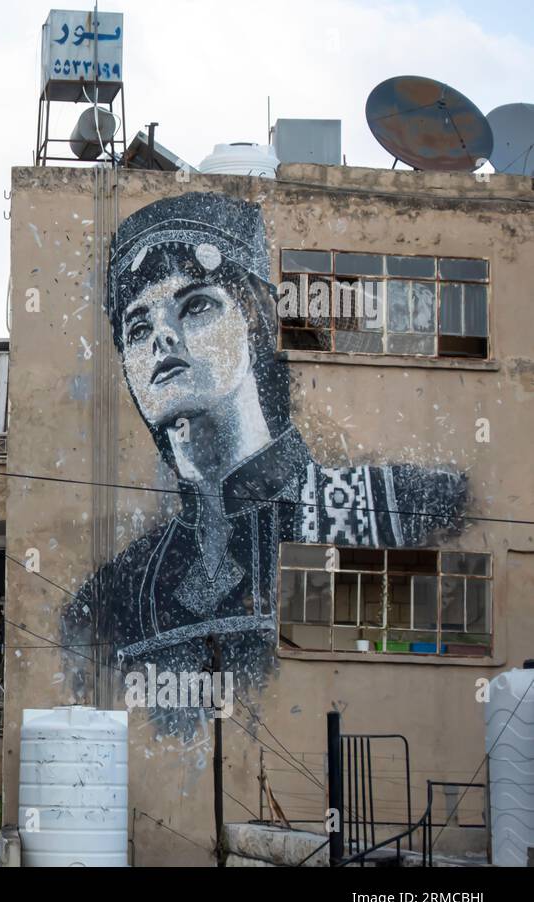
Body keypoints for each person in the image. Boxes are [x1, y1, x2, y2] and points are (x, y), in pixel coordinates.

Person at [60, 192, 466, 737]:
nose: (162, 337)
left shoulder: (398, 509)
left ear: (252, 314)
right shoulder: (108, 598)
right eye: (137, 327)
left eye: (196, 306)